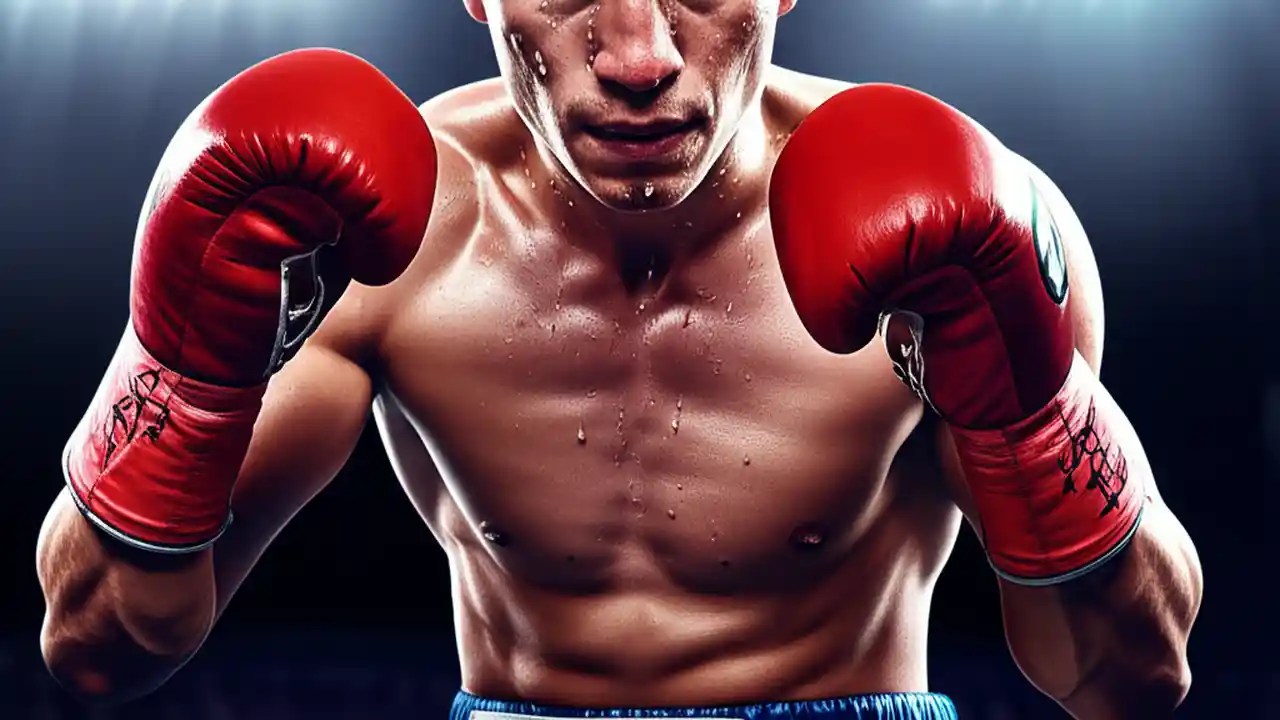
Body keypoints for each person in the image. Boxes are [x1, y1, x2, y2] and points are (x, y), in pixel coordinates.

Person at [37, 2, 1203, 718]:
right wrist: (183, 359)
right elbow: (97, 645)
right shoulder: (381, 245)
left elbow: (1124, 681)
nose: (639, 55)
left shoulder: (976, 212)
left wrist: (1034, 420)